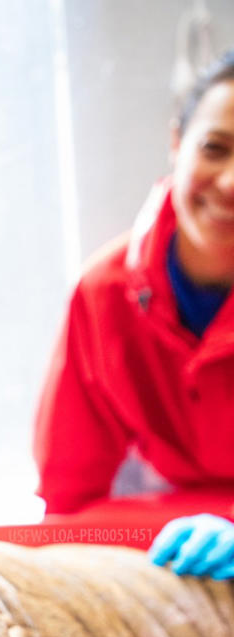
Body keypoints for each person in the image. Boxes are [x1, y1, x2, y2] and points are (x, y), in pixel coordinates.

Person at [33, 50, 234, 517]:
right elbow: (68, 498)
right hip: (157, 548)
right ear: (177, 141)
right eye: (215, 148)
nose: (230, 183)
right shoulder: (103, 293)